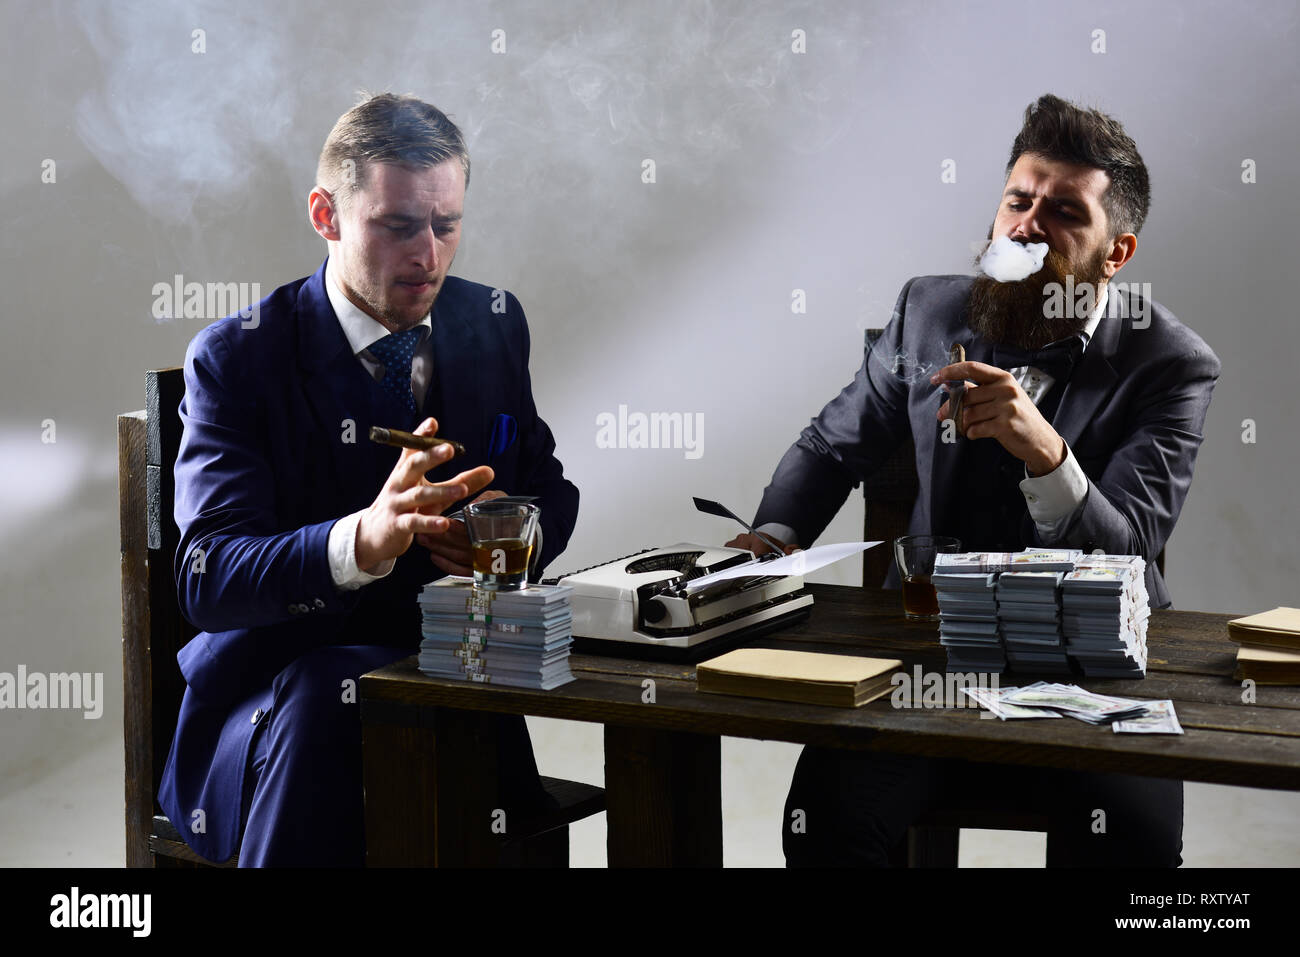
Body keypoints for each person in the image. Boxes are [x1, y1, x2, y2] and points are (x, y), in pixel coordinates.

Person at [727, 94, 1220, 867]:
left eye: (1062, 212)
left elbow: (1131, 551)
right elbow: (832, 446)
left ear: (1115, 254)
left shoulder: (1171, 363)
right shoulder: (929, 310)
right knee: (823, 824)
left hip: (1094, 674)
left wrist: (1048, 454)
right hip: (932, 662)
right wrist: (771, 538)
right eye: (1018, 201)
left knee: (1133, 852)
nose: (1026, 226)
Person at [158, 93, 579, 866]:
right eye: (396, 226)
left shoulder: (492, 320)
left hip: (450, 695)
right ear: (326, 214)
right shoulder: (236, 357)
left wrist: (512, 530)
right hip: (277, 712)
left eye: (446, 224)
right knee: (330, 691)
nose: (428, 254)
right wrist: (362, 541)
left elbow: (548, 487)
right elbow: (206, 575)